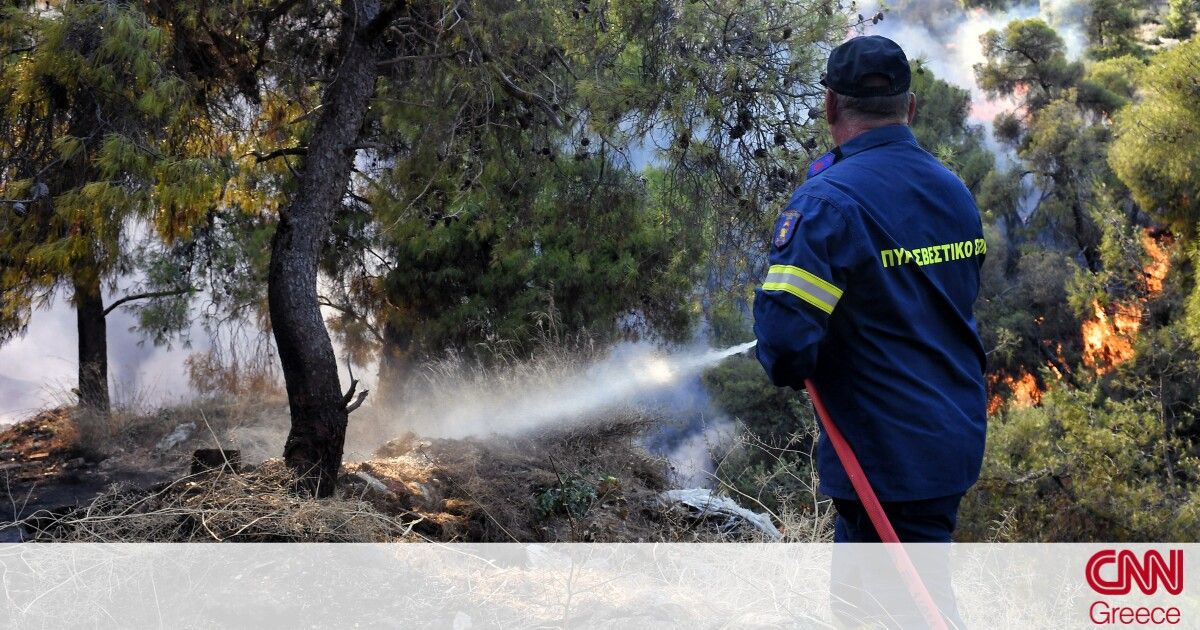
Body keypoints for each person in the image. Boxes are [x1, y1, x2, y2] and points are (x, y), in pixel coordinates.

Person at [753, 35, 988, 544]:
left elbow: (785, 347)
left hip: (883, 462)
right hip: (952, 441)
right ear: (911, 107)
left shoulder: (825, 204)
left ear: (830, 106)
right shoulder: (953, 192)